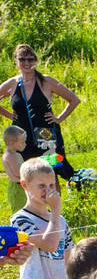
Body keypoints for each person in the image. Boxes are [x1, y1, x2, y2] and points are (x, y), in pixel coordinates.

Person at [11, 156, 71, 279]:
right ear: (25, 185)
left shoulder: (60, 221)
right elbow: (50, 245)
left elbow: (69, 257)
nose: (48, 191)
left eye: (51, 185)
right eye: (41, 186)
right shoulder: (20, 219)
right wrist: (57, 210)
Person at [0, 45, 78, 181]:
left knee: (51, 170)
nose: (26, 63)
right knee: (28, 173)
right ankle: (33, 202)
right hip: (21, 137)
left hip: (45, 135)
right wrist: (9, 115)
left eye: (30, 59)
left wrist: (59, 118)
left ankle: (57, 199)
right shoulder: (13, 83)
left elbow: (74, 100)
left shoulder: (46, 81)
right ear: (16, 61)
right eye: (22, 59)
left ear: (35, 61)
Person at [3, 125, 25, 211]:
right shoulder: (10, 156)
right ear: (12, 143)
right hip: (17, 188)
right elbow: (18, 173)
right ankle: (18, 224)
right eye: (22, 142)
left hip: (21, 185)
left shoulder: (16, 154)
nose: (25, 144)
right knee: (20, 209)